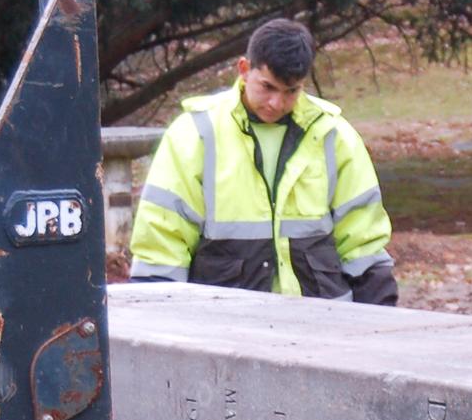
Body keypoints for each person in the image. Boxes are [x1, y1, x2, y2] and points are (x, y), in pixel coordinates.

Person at [129, 18, 397, 304]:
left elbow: (363, 239)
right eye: (267, 87)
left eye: (291, 91)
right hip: (222, 325)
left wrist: (380, 315)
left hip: (322, 324)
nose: (276, 103)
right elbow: (162, 237)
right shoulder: (195, 134)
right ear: (244, 69)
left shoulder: (333, 135)